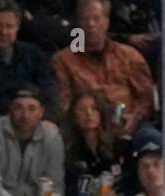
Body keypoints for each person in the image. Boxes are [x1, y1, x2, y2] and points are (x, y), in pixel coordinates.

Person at [51, 0, 155, 135]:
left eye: (96, 18)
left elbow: (146, 99)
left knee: (152, 139)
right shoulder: (63, 61)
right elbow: (63, 104)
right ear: (77, 24)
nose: (90, 24)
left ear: (107, 22)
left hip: (129, 128)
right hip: (85, 131)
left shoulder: (130, 56)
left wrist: (134, 118)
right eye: (84, 19)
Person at [0, 0, 58, 131]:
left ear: (17, 27)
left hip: (35, 121)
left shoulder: (33, 54)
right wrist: (12, 126)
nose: (3, 32)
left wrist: (47, 118)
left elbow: (49, 90)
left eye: (9, 26)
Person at [62, 91, 129, 196]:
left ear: (102, 113)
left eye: (94, 108)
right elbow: (69, 195)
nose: (88, 113)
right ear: (74, 117)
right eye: (82, 109)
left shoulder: (120, 145)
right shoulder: (69, 151)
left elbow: (133, 185)